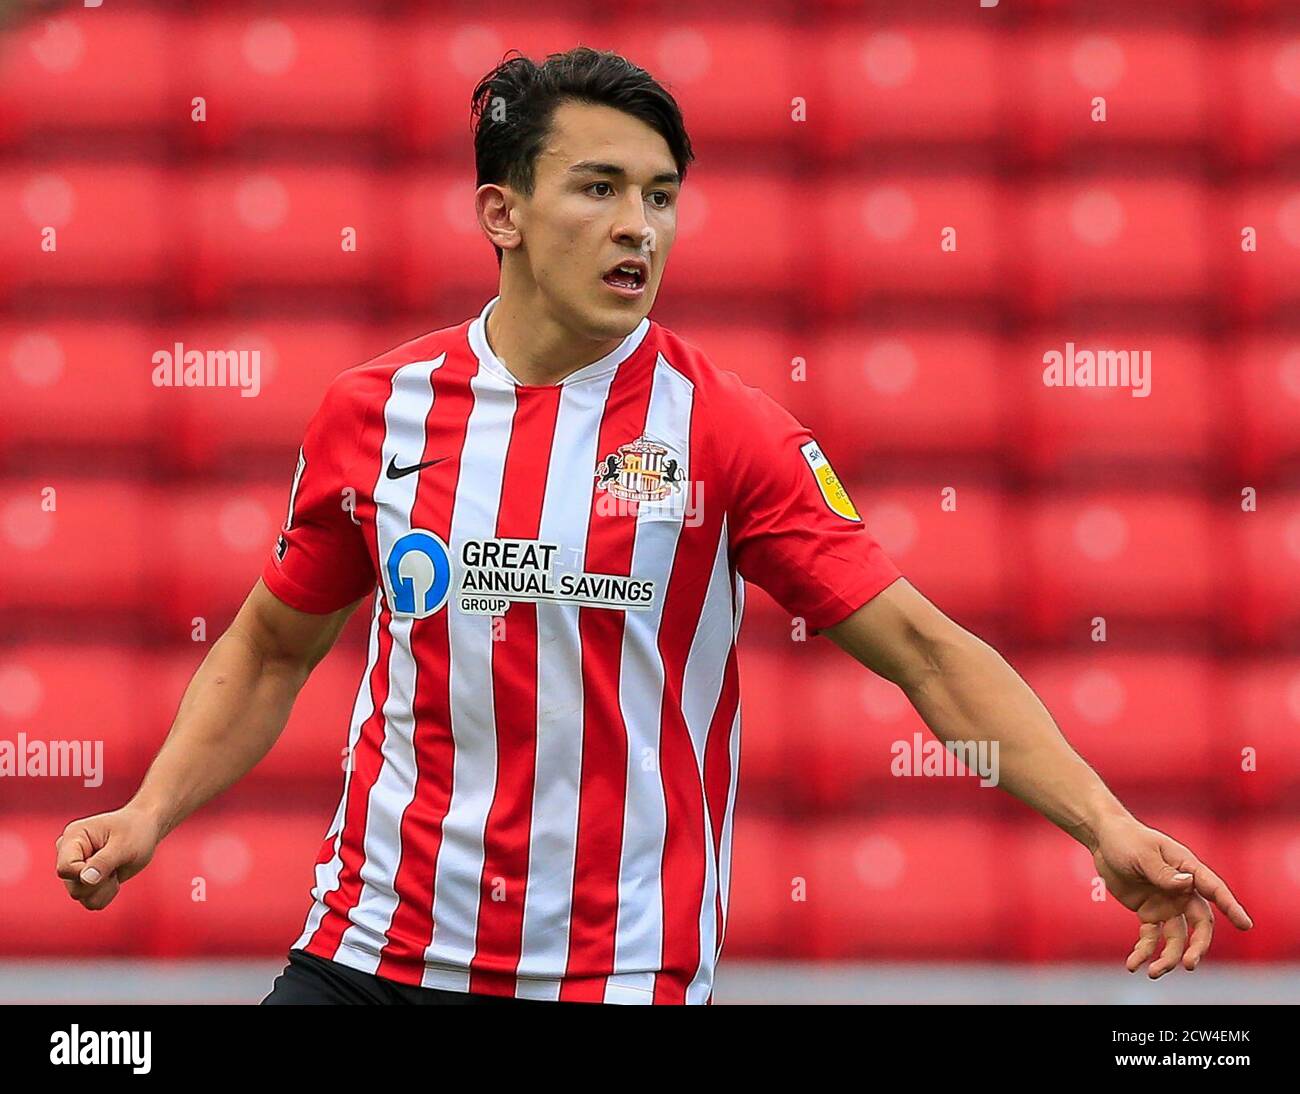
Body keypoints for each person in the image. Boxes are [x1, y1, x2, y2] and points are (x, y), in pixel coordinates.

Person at [55, 46, 1251, 1006]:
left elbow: (928, 653)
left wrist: (1103, 821)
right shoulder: (376, 413)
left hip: (609, 972)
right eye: (600, 187)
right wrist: (151, 808)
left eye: (661, 195)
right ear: (502, 211)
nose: (641, 225)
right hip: (367, 953)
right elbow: (273, 645)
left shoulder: (729, 432)